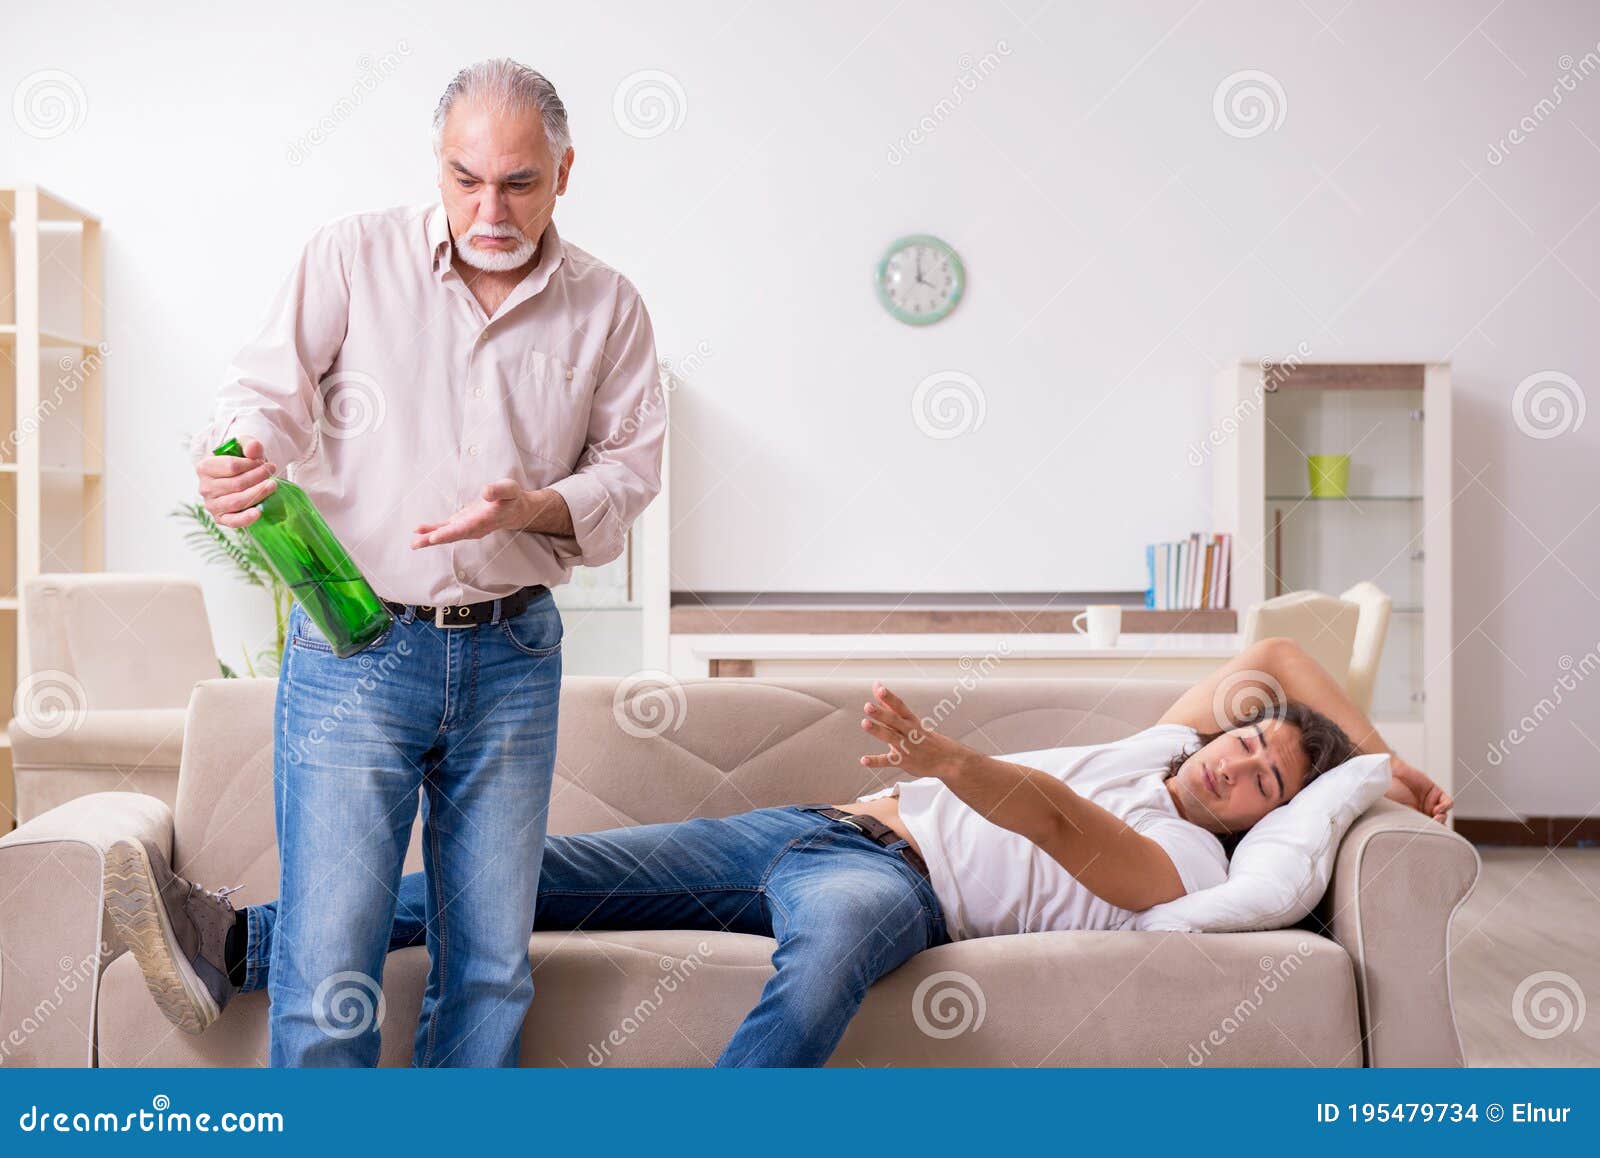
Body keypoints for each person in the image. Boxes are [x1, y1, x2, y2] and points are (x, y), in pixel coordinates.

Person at [105, 637, 1451, 1067]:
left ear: (1260, 818)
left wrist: (945, 761)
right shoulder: (1166, 746)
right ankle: (234, 943)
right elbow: (1280, 654)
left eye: (1264, 780)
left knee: (817, 978)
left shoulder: (1191, 868)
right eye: (1246, 742)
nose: (1236, 760)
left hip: (895, 885)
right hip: (802, 829)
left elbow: (1050, 824)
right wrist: (1378, 762)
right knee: (517, 876)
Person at [177, 59, 665, 1067]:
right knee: (329, 965)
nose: (489, 210)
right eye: (465, 179)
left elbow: (629, 468)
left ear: (564, 173)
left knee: (489, 967)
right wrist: (242, 454)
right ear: (438, 165)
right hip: (357, 648)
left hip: (513, 653)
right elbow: (263, 397)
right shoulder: (351, 257)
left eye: (519, 183)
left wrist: (538, 507)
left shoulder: (609, 306)